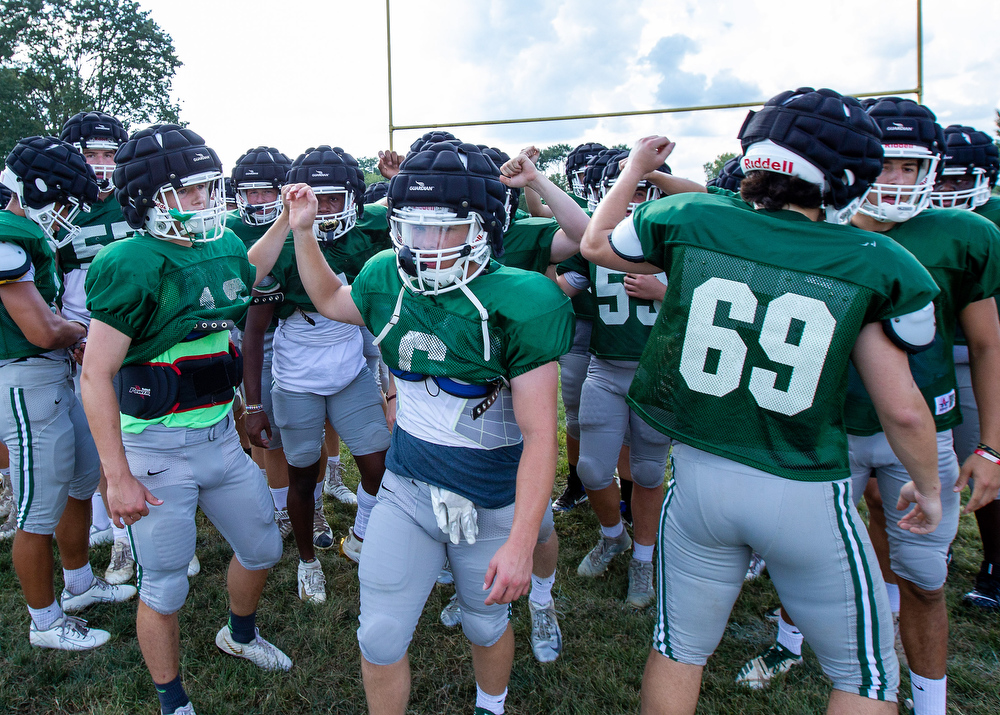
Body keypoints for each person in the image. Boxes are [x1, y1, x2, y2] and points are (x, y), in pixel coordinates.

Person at [581, 87, 944, 715]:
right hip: (803, 486)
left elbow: (596, 244)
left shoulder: (696, 218)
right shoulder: (873, 258)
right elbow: (905, 408)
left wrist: (637, 169)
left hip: (696, 478)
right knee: (867, 678)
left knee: (678, 649)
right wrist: (929, 486)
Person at [264, 141, 573, 714]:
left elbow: (538, 438)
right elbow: (331, 296)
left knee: (485, 626)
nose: (421, 246)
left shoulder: (521, 299)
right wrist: (304, 234)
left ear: (483, 228)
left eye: (442, 230)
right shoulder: (387, 276)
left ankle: (491, 705)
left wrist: (522, 540)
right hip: (408, 490)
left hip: (490, 496)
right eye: (410, 228)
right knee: (379, 635)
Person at [81, 124, 290, 715]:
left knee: (262, 548)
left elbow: (244, 270)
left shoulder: (216, 244)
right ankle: (173, 701)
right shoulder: (131, 263)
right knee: (167, 584)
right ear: (153, 197)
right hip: (158, 452)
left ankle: (239, 635)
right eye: (193, 190)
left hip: (221, 439)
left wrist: (286, 225)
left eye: (208, 187)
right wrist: (117, 476)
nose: (208, 200)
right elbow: (95, 375)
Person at [0, 135, 136, 651]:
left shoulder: (21, 231)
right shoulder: (6, 237)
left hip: (52, 376)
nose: (64, 215)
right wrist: (82, 333)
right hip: (23, 377)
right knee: (35, 510)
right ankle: (44, 621)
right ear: (33, 190)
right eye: (59, 202)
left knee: (80, 479)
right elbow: (40, 330)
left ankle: (78, 584)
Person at [244, 145, 391, 604]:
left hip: (351, 370)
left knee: (378, 465)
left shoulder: (371, 234)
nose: (324, 208)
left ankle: (363, 532)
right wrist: (252, 403)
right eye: (315, 197)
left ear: (355, 198)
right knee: (302, 476)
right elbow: (253, 327)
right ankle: (308, 561)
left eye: (333, 198)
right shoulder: (283, 246)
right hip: (296, 379)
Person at [56, 110, 143, 584]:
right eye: (92, 154)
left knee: (133, 432)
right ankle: (105, 524)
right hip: (80, 335)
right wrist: (68, 329)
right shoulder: (61, 204)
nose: (103, 164)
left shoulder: (135, 198)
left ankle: (130, 539)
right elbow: (51, 279)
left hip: (133, 331)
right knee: (93, 436)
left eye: (111, 153)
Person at [931, 124, 1000, 611]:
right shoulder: (917, 220)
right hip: (929, 355)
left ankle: (994, 564)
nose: (947, 191)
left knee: (982, 461)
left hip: (977, 352)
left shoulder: (987, 224)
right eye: (943, 178)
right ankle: (941, 546)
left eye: (959, 180)